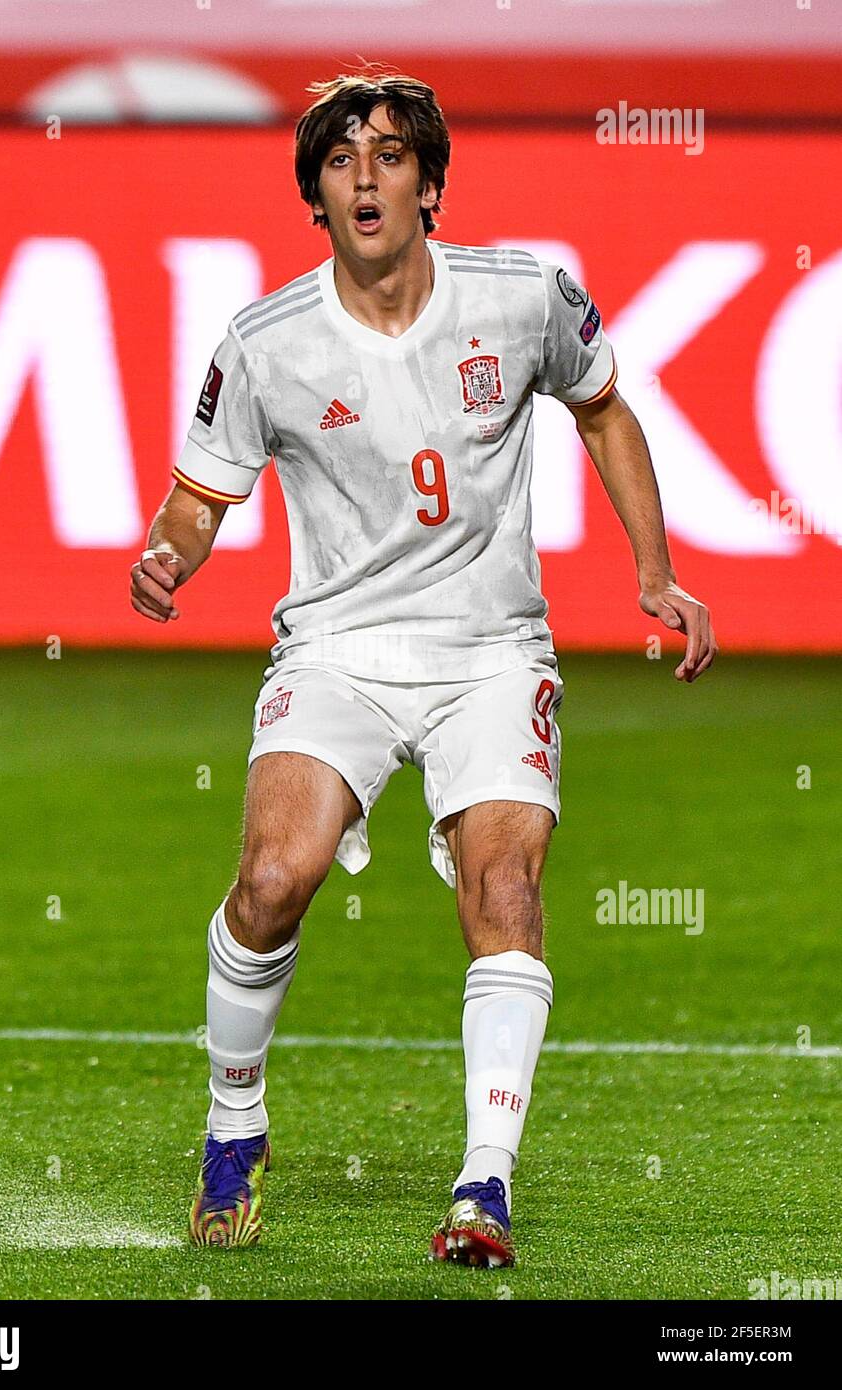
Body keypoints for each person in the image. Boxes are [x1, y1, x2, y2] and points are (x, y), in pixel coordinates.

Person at [129, 71, 718, 1267]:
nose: (363, 176)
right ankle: (233, 1121)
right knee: (268, 882)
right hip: (339, 645)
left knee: (505, 895)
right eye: (341, 160)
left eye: (388, 155)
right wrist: (166, 555)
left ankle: (481, 1187)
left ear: (428, 184)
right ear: (316, 196)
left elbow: (603, 411)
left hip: (491, 648)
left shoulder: (523, 297)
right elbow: (200, 498)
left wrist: (653, 571)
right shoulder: (265, 342)